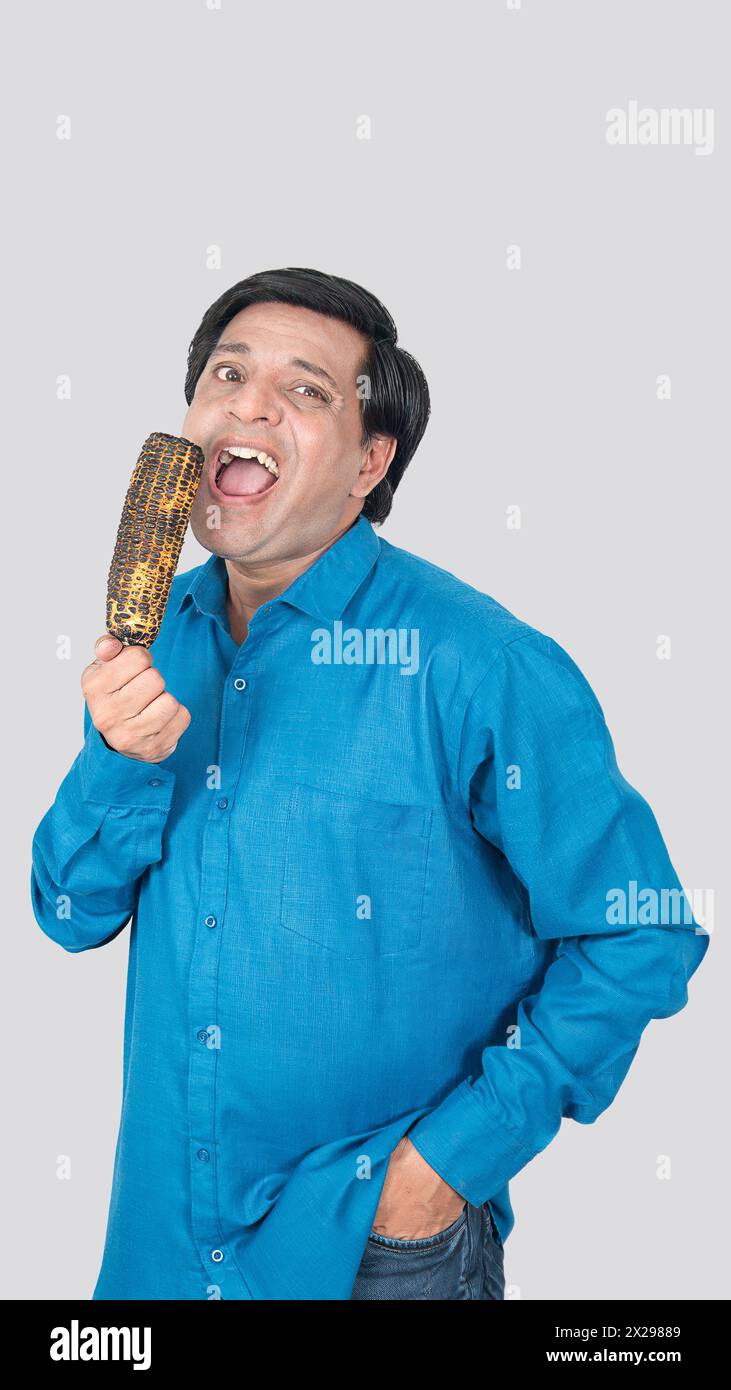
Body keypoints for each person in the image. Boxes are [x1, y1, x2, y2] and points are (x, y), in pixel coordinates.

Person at [30, 267, 709, 1301]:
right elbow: (69, 913)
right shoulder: (152, 637)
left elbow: (639, 927)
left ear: (368, 463)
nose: (248, 404)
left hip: (371, 1253)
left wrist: (443, 1168)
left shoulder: (476, 662)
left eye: (305, 391)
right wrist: (115, 758)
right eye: (226, 373)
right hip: (160, 1248)